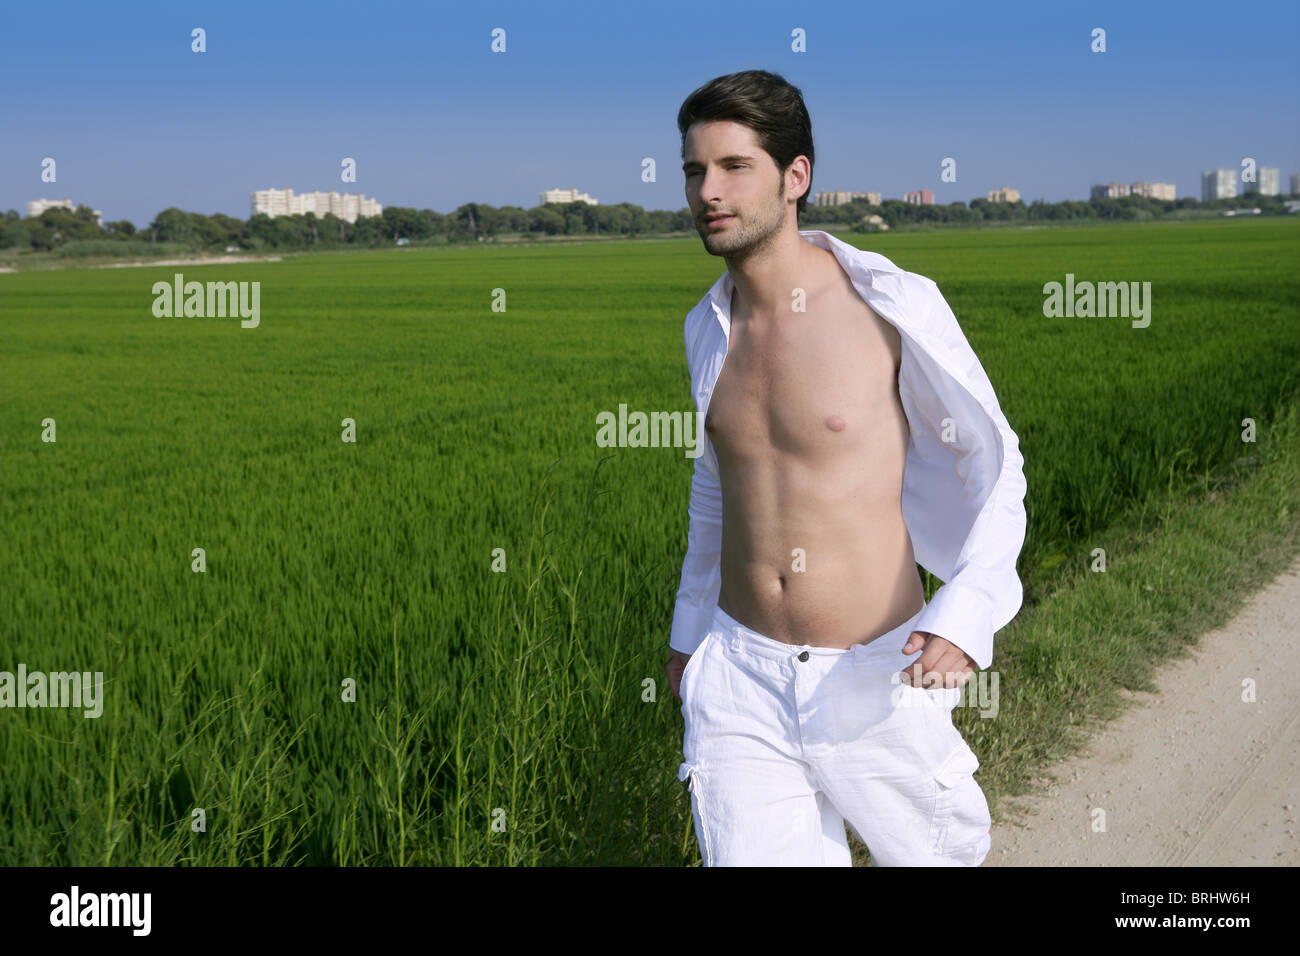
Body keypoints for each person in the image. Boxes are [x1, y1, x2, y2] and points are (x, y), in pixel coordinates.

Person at [666, 70, 1027, 866]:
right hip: (740, 679)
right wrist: (691, 632)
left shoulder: (889, 307)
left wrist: (968, 615)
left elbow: (992, 461)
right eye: (694, 170)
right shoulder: (707, 327)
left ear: (796, 178)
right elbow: (718, 487)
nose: (707, 192)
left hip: (876, 677)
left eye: (734, 167)